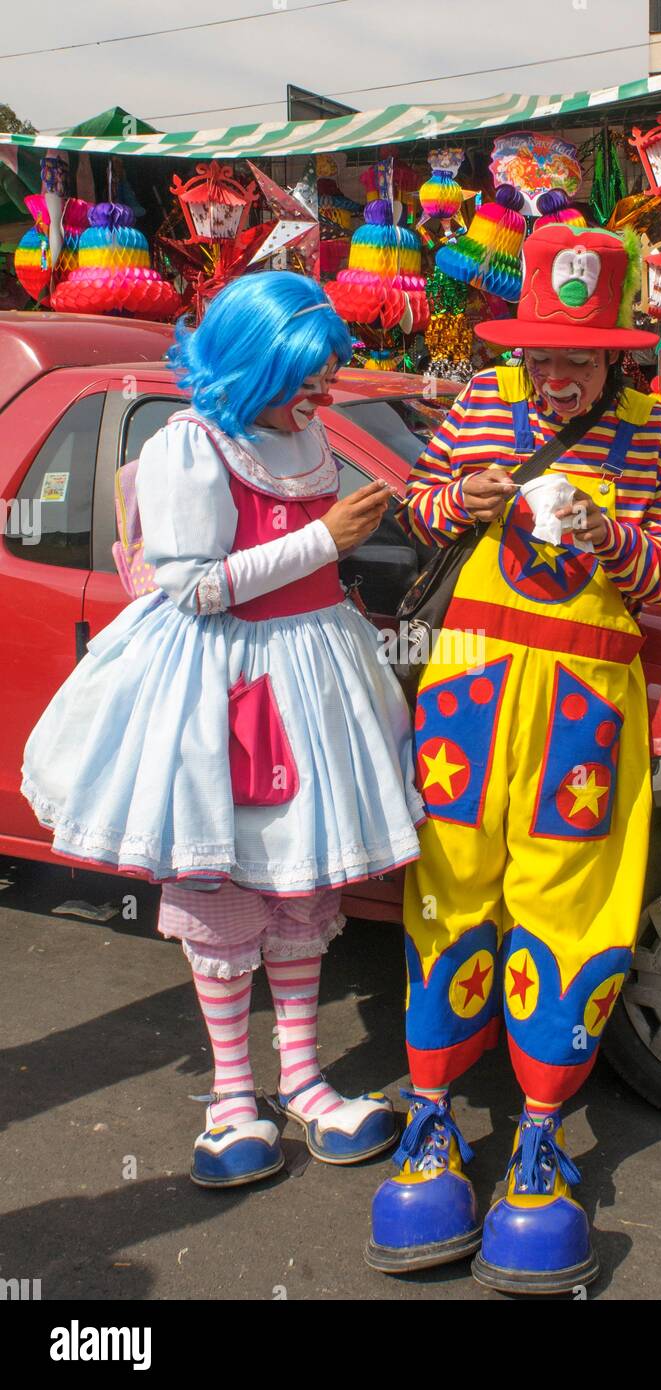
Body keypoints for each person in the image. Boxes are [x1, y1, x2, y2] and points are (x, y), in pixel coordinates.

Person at [21, 271, 426, 1187]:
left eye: (327, 371)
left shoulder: (306, 431)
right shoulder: (189, 447)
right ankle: (233, 1100)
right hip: (226, 694)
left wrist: (332, 550)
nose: (324, 390)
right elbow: (193, 586)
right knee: (224, 891)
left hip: (315, 680)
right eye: (309, 373)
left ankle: (305, 1084)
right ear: (256, 363)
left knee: (297, 895)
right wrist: (326, 541)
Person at [367, 223, 661, 1292]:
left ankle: (541, 1140)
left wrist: (613, 542)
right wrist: (450, 502)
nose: (554, 377)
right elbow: (416, 505)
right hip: (469, 684)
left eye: (578, 358)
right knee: (447, 887)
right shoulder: (475, 406)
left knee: (568, 900)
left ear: (613, 355)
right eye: (542, 356)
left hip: (584, 702)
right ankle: (429, 1119)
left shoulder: (653, 436)